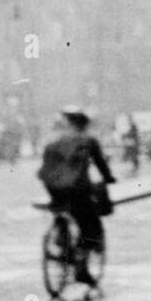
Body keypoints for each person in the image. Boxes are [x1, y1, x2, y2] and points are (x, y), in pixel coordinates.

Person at [37, 104, 116, 286]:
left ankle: (61, 237)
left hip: (54, 188)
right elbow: (101, 165)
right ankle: (82, 265)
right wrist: (109, 178)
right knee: (90, 225)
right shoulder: (88, 141)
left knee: (62, 210)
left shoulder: (53, 140)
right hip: (77, 189)